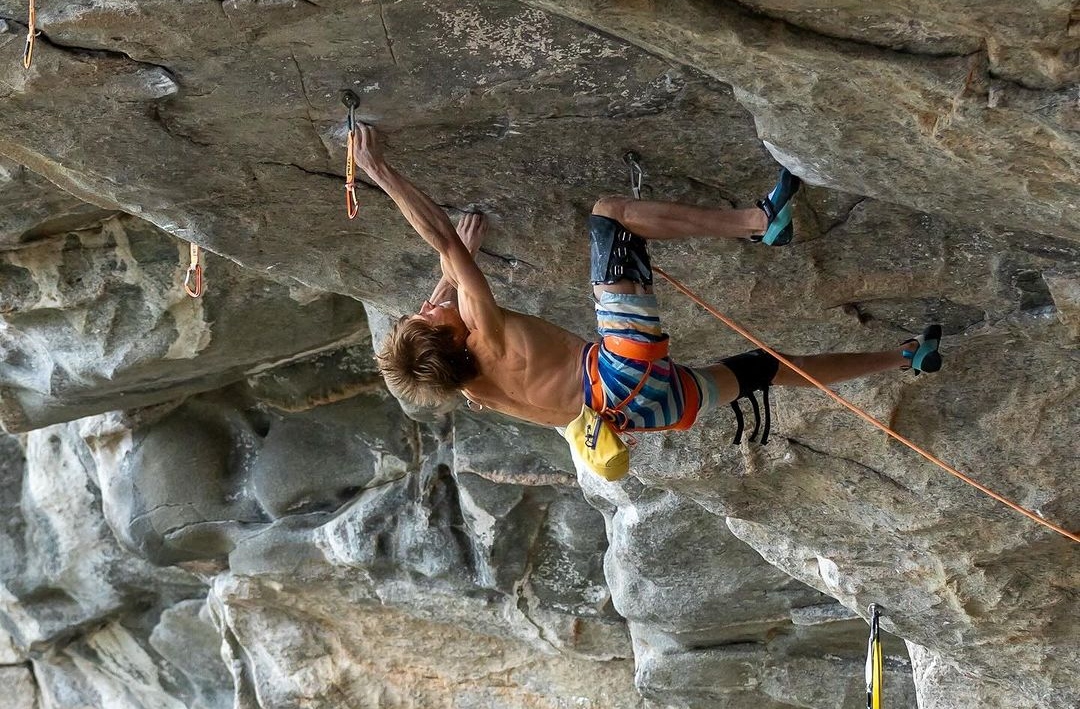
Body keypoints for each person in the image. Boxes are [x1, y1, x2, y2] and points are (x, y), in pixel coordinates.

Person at [354, 124, 942, 452]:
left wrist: (456, 268)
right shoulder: (487, 335)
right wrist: (379, 171)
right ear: (451, 335)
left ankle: (907, 355)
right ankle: (759, 223)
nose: (428, 303)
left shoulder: (475, 388)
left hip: (640, 415)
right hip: (621, 372)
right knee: (611, 218)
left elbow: (446, 290)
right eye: (428, 313)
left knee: (771, 368)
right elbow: (442, 244)